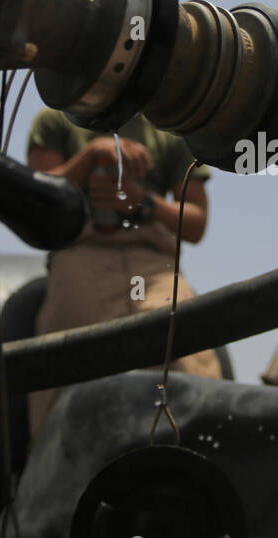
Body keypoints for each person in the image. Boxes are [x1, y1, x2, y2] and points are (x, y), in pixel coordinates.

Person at [26, 108, 224, 440]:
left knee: (186, 355)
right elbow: (35, 200)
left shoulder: (175, 121)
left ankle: (197, 465)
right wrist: (89, 158)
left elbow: (195, 222)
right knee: (68, 356)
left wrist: (141, 202)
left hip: (153, 262)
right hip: (82, 253)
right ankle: (53, 470)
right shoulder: (55, 119)